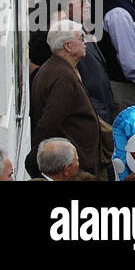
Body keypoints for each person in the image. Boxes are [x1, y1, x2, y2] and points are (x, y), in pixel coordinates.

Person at [28, 21, 101, 180]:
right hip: (71, 168)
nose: (84, 42)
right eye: (81, 37)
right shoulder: (62, 77)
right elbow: (48, 123)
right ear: (68, 46)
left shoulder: (55, 69)